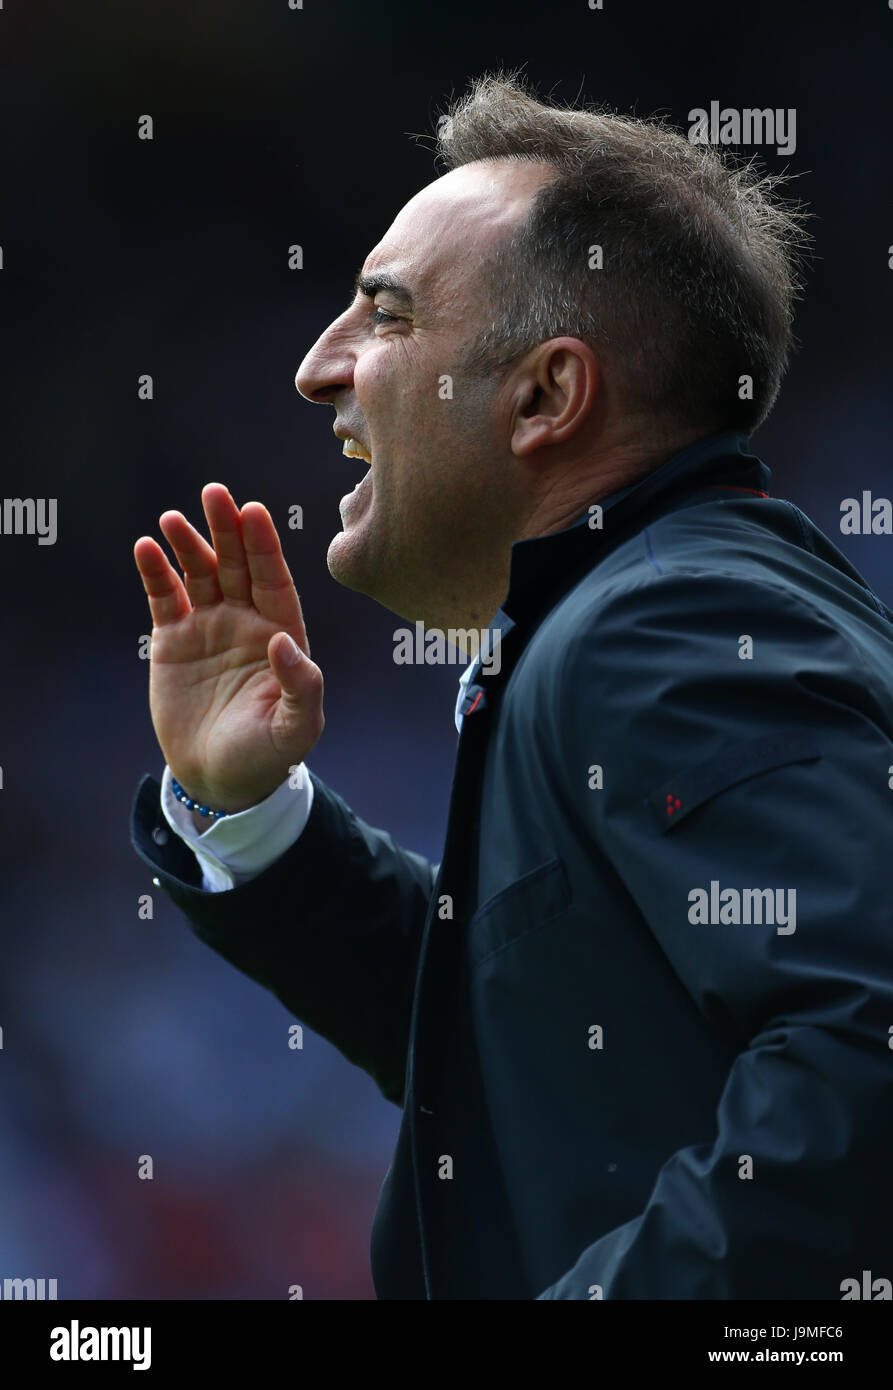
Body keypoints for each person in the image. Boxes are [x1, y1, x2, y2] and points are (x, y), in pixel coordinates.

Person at [130, 72, 893, 1299]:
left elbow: (866, 1043)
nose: (317, 366)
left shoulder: (669, 619)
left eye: (382, 314)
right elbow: (535, 1051)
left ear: (545, 394)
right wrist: (262, 815)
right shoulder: (643, 607)